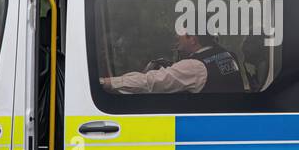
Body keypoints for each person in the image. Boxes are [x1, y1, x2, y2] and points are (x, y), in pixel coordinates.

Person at [101, 32, 242, 94]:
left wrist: (109, 82)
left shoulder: (194, 67)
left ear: (193, 39)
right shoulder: (226, 54)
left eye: (181, 33)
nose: (177, 36)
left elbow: (151, 82)